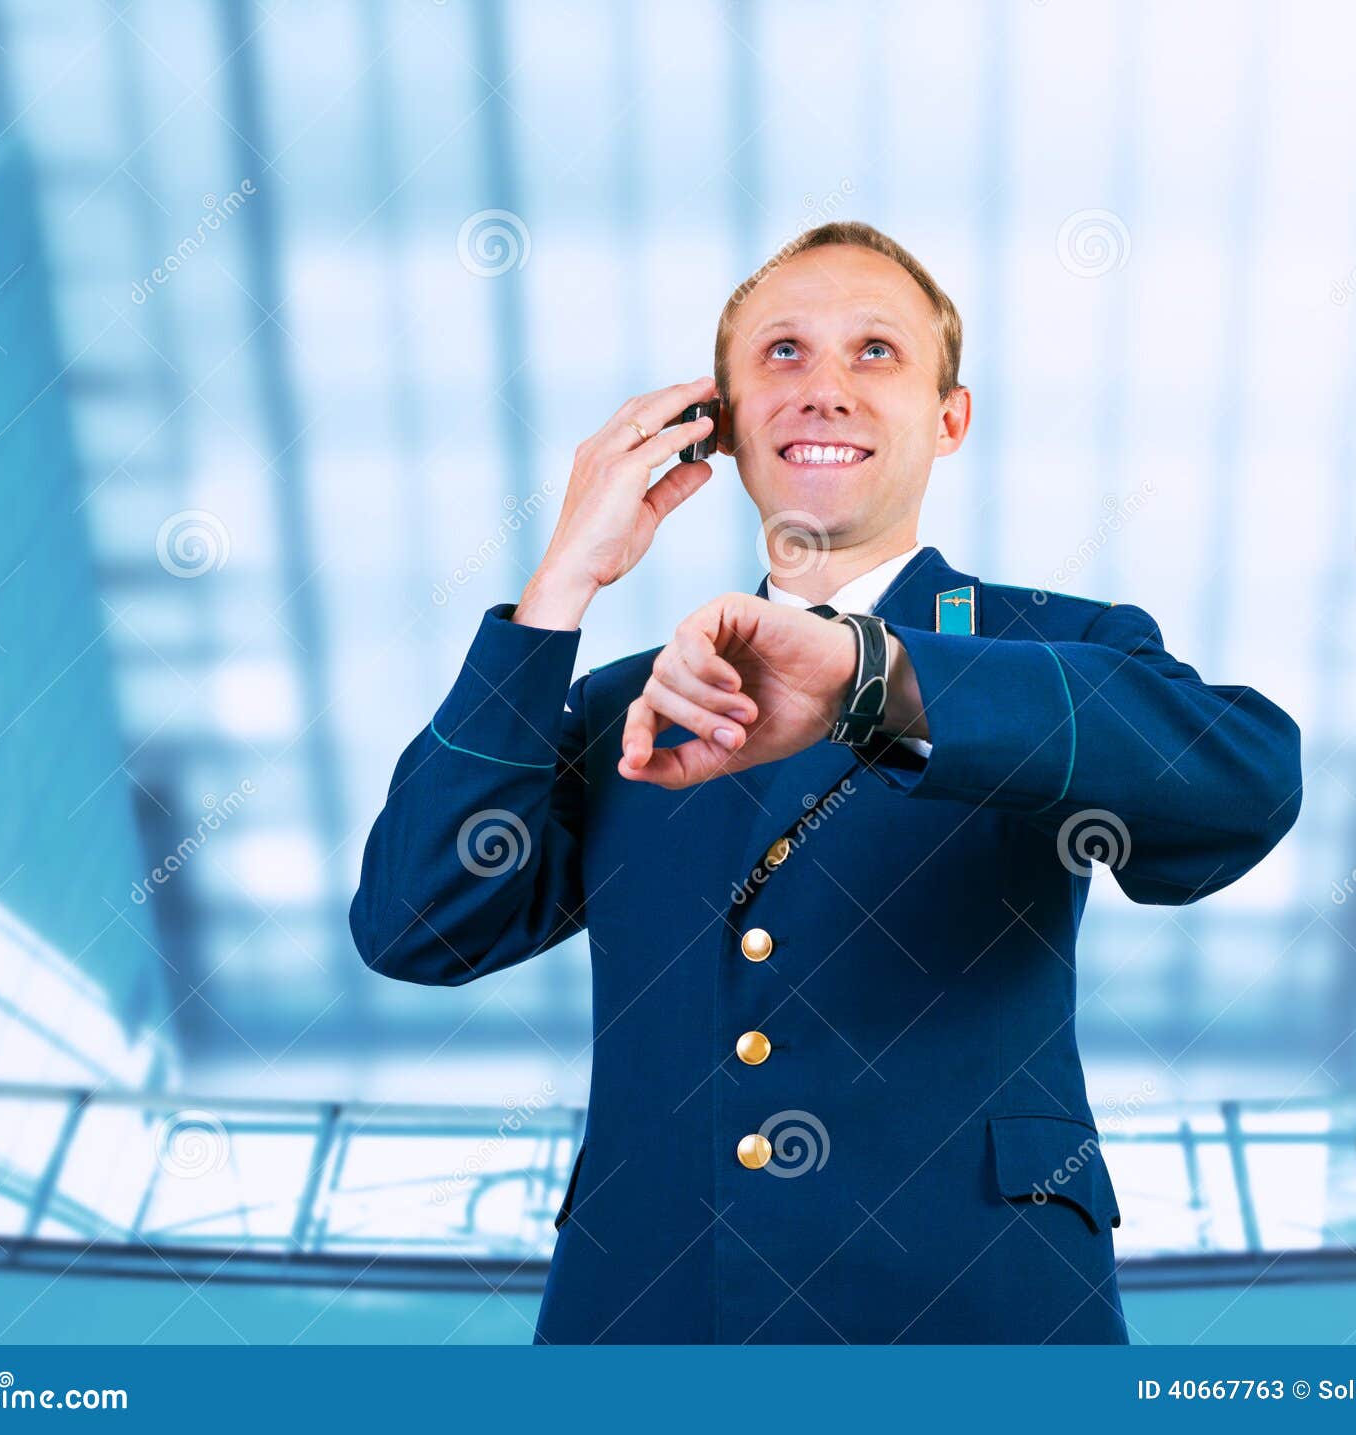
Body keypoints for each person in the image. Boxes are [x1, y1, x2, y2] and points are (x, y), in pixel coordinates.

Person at [349, 221, 1303, 1344]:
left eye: (877, 353)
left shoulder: (1050, 646)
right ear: (721, 425)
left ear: (949, 418)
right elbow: (418, 921)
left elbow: (1241, 780)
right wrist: (561, 584)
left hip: (974, 1309)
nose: (825, 390)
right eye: (783, 355)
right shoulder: (627, 702)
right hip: (656, 1313)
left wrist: (874, 677)